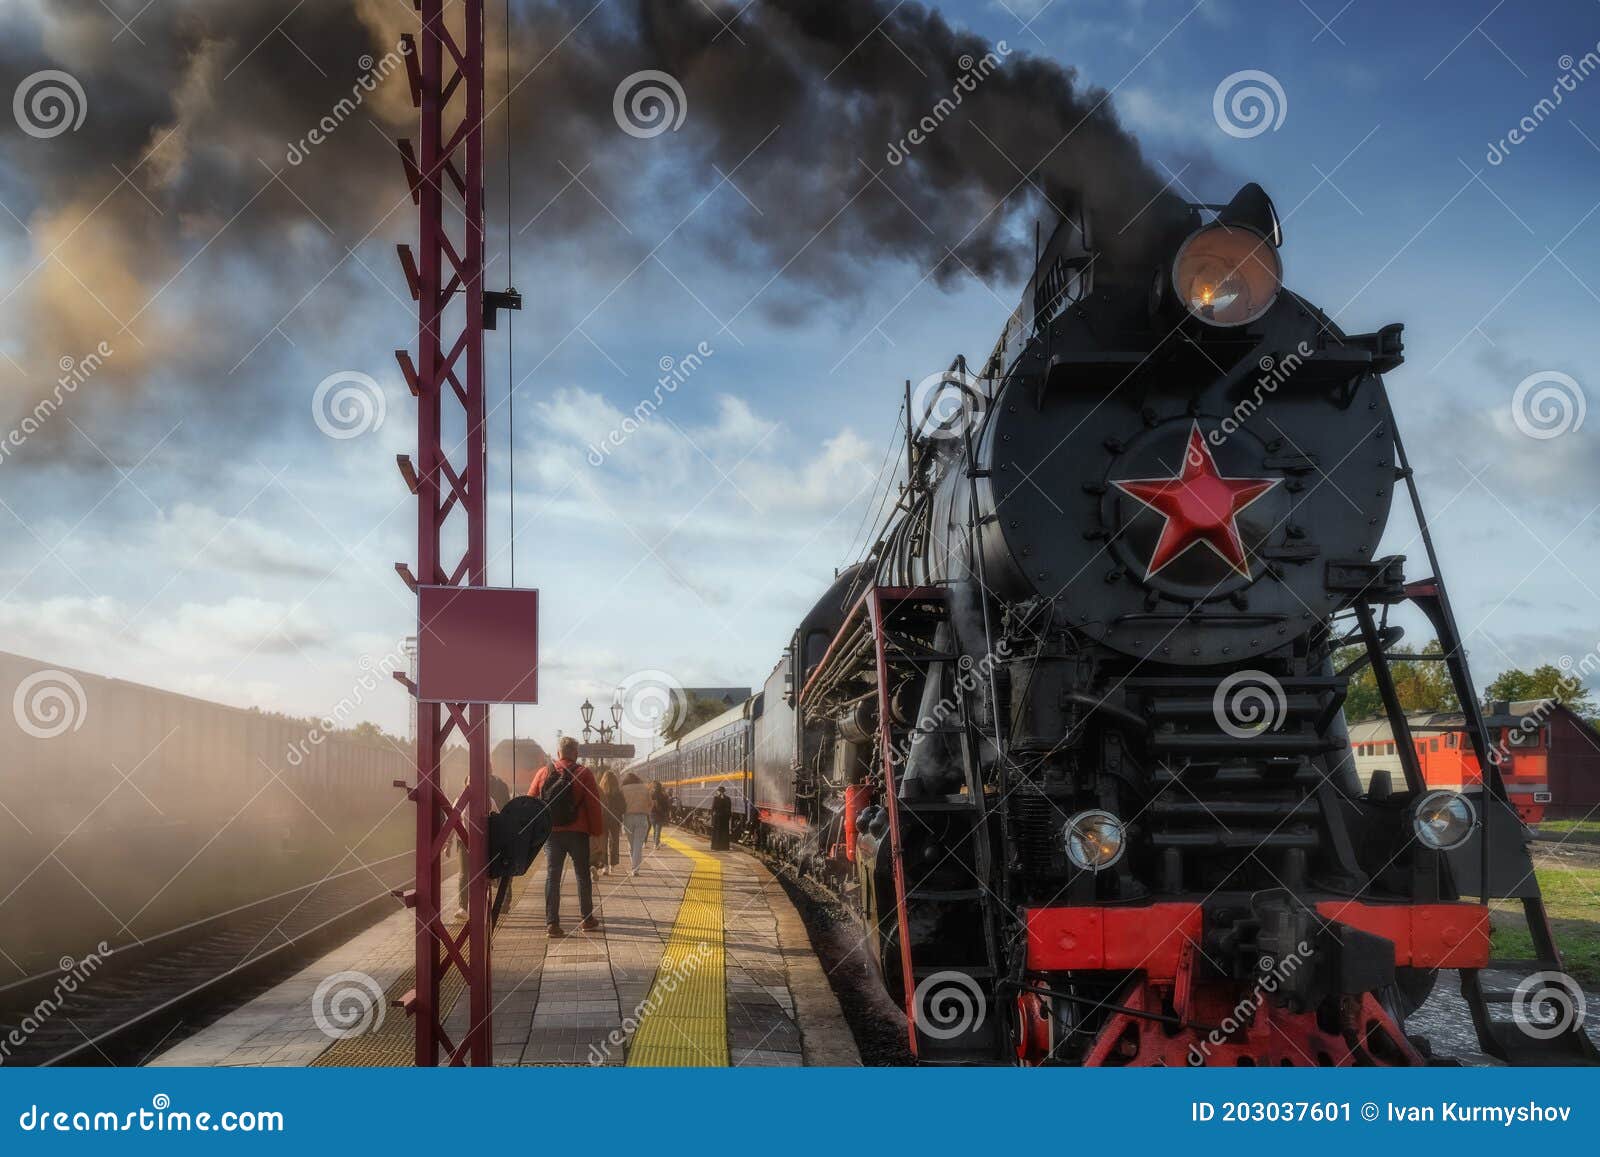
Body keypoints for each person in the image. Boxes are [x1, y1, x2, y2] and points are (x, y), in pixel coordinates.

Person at [526, 736, 602, 937]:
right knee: (582, 875)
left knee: (553, 876)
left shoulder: (544, 772)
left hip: (552, 834)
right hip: (578, 833)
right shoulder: (584, 773)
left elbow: (530, 802)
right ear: (575, 753)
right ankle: (587, 920)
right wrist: (596, 833)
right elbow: (594, 805)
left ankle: (552, 923)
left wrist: (535, 832)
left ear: (558, 753)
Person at [453, 770, 515, 921]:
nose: (471, 786)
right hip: (464, 843)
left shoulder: (489, 800)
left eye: (474, 783)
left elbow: (496, 819)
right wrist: (448, 843)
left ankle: (485, 905)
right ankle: (463, 907)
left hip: (482, 843)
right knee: (464, 874)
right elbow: (452, 822)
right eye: (469, 783)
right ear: (465, 785)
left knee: (484, 874)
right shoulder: (459, 800)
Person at [619, 772, 652, 875]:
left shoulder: (623, 789)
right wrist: (647, 812)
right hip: (642, 818)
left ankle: (634, 867)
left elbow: (621, 804)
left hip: (628, 818)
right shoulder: (645, 788)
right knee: (638, 844)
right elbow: (650, 803)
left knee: (632, 843)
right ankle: (635, 869)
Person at [598, 769, 625, 876]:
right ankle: (613, 864)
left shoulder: (600, 791)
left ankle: (605, 867)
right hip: (615, 820)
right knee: (614, 842)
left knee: (603, 843)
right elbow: (623, 807)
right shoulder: (618, 792)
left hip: (603, 820)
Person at [710, 785, 733, 851]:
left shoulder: (716, 798)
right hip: (725, 818)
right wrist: (728, 817)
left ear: (718, 792)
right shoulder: (728, 798)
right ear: (724, 792)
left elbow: (713, 808)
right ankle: (724, 847)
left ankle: (715, 847)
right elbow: (729, 809)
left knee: (716, 833)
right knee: (724, 833)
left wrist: (713, 817)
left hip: (717, 818)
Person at [648, 782, 671, 848]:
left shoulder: (650, 794)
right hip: (660, 814)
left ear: (654, 787)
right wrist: (666, 813)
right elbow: (666, 805)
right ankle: (656, 844)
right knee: (658, 830)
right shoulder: (663, 795)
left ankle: (655, 843)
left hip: (652, 814)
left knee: (655, 829)